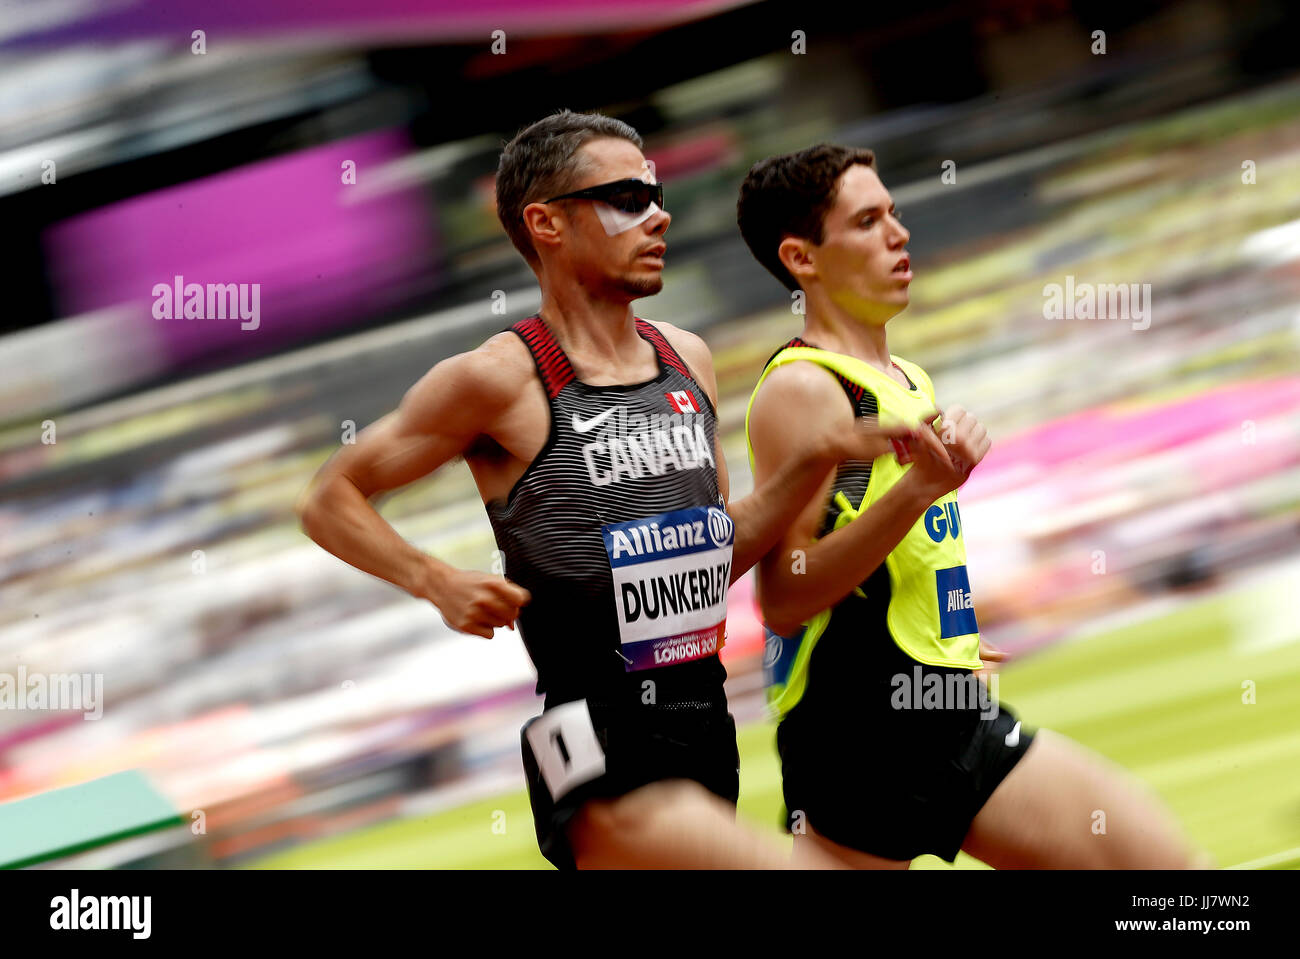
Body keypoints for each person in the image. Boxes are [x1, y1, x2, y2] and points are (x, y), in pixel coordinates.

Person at [296, 113, 910, 869]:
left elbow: (719, 548)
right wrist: (435, 579)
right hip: (596, 742)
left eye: (654, 192)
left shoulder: (687, 358)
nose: (659, 214)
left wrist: (813, 461)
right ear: (546, 223)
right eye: (626, 197)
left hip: (705, 724)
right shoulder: (499, 378)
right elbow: (328, 497)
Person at [738, 143, 1208, 869]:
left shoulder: (905, 378)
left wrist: (945, 629)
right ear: (802, 258)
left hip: (946, 709)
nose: (899, 233)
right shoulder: (803, 388)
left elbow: (887, 561)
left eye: (893, 213)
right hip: (860, 737)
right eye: (867, 221)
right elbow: (787, 593)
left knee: (1167, 876)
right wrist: (923, 488)